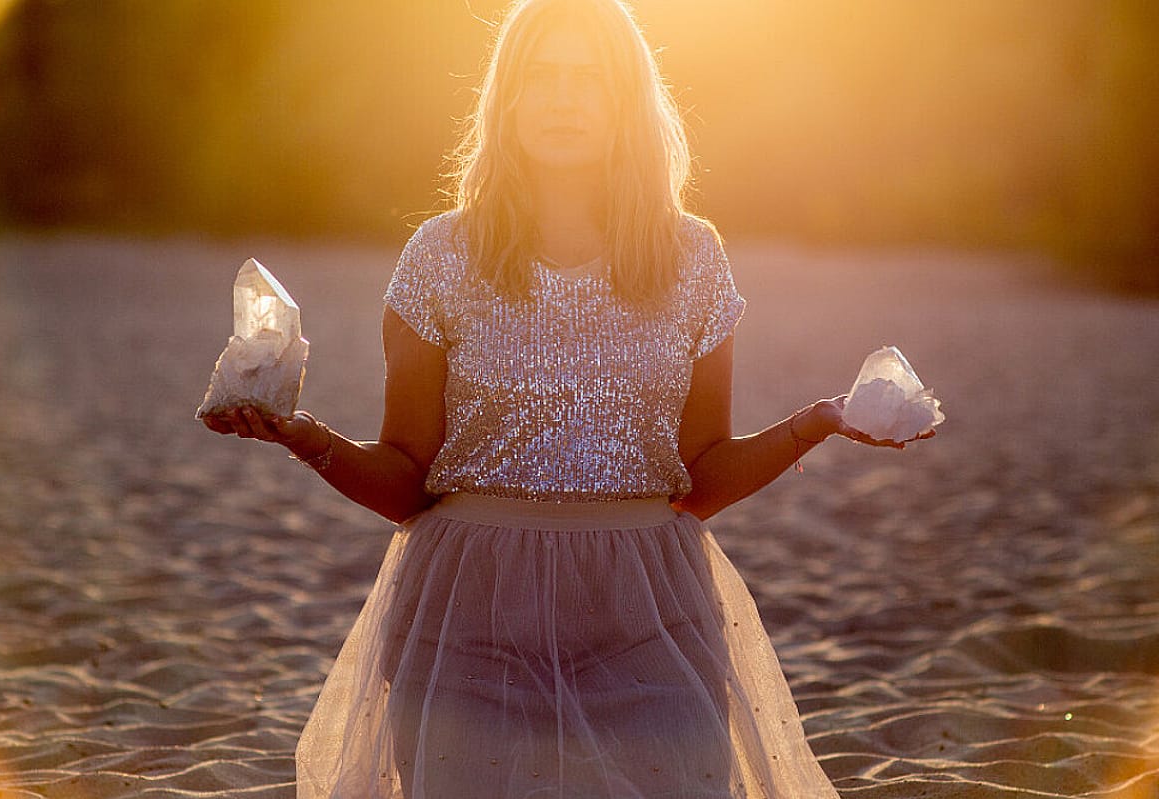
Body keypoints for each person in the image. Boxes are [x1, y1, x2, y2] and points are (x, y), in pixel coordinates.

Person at [204, 0, 930, 796]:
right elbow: (408, 479)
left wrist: (819, 420)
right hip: (468, 618)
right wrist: (305, 437)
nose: (563, 99)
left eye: (589, 80)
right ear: (506, 100)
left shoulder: (692, 256)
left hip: (647, 611)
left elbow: (703, 478)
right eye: (541, 78)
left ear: (627, 103)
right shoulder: (440, 255)